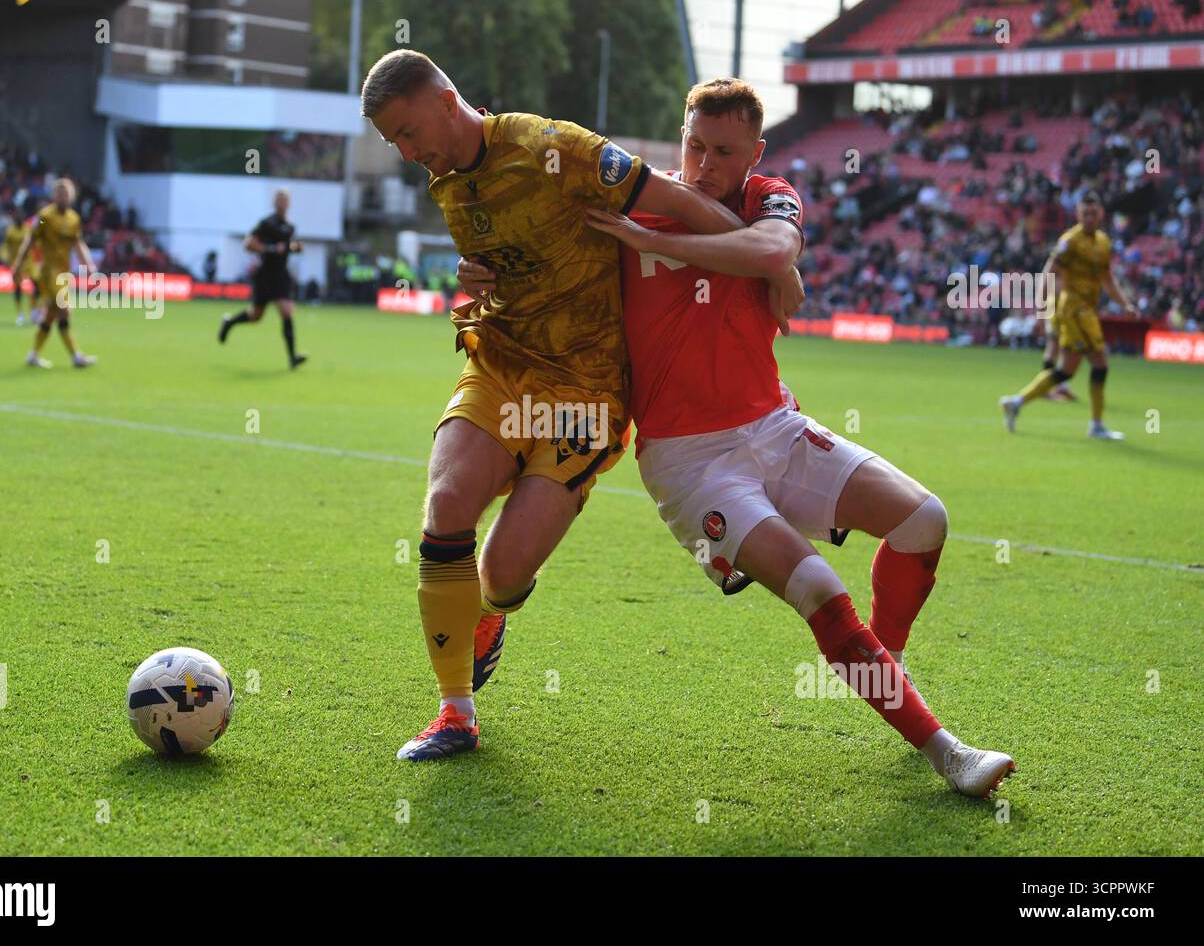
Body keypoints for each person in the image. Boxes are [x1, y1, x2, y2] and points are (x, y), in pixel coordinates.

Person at [462, 78, 1015, 798]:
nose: (704, 163)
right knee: (817, 584)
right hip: (690, 462)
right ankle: (947, 752)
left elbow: (772, 248)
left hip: (774, 426)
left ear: (754, 152)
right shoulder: (635, 201)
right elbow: (537, 253)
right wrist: (483, 269)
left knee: (924, 520)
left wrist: (765, 260)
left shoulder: (765, 198)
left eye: (724, 151)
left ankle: (891, 662)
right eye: (694, 144)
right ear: (679, 134)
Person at [360, 49, 746, 760]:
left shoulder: (553, 148)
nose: (409, 153)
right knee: (446, 506)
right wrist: (477, 275)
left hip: (586, 395)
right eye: (395, 144)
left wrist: (767, 256)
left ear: (447, 100)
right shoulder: (447, 178)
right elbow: (505, 260)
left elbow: (679, 200)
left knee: (503, 573)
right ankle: (454, 711)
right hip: (501, 366)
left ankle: (491, 612)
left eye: (410, 133)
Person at [1000, 191, 1137, 439]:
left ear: (1101, 214)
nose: (1089, 217)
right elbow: (1047, 273)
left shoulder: (1103, 242)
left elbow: (1108, 279)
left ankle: (1017, 401)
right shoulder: (1070, 241)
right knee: (1100, 362)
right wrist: (1042, 312)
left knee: (1067, 370)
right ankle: (1096, 425)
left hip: (1088, 310)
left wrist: (1124, 303)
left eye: (1093, 213)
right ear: (1078, 214)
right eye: (1085, 213)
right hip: (1073, 310)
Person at [9, 178, 97, 369]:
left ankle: (34, 354)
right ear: (54, 195)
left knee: (51, 315)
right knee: (64, 310)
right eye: (60, 192)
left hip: (64, 274)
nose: (64, 196)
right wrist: (17, 265)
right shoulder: (44, 217)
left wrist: (89, 265)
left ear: (72, 196)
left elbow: (78, 244)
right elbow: (29, 242)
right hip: (48, 272)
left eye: (67, 193)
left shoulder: (74, 219)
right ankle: (76, 356)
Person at [217, 189, 307, 369]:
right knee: (256, 316)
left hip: (281, 275)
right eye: (279, 200)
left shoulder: (290, 227)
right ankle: (229, 322)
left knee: (286, 311)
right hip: (265, 274)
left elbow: (289, 247)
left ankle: (292, 358)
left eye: (285, 200)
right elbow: (248, 244)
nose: (282, 203)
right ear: (274, 203)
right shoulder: (266, 224)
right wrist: (271, 249)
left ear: (289, 204)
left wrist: (295, 247)